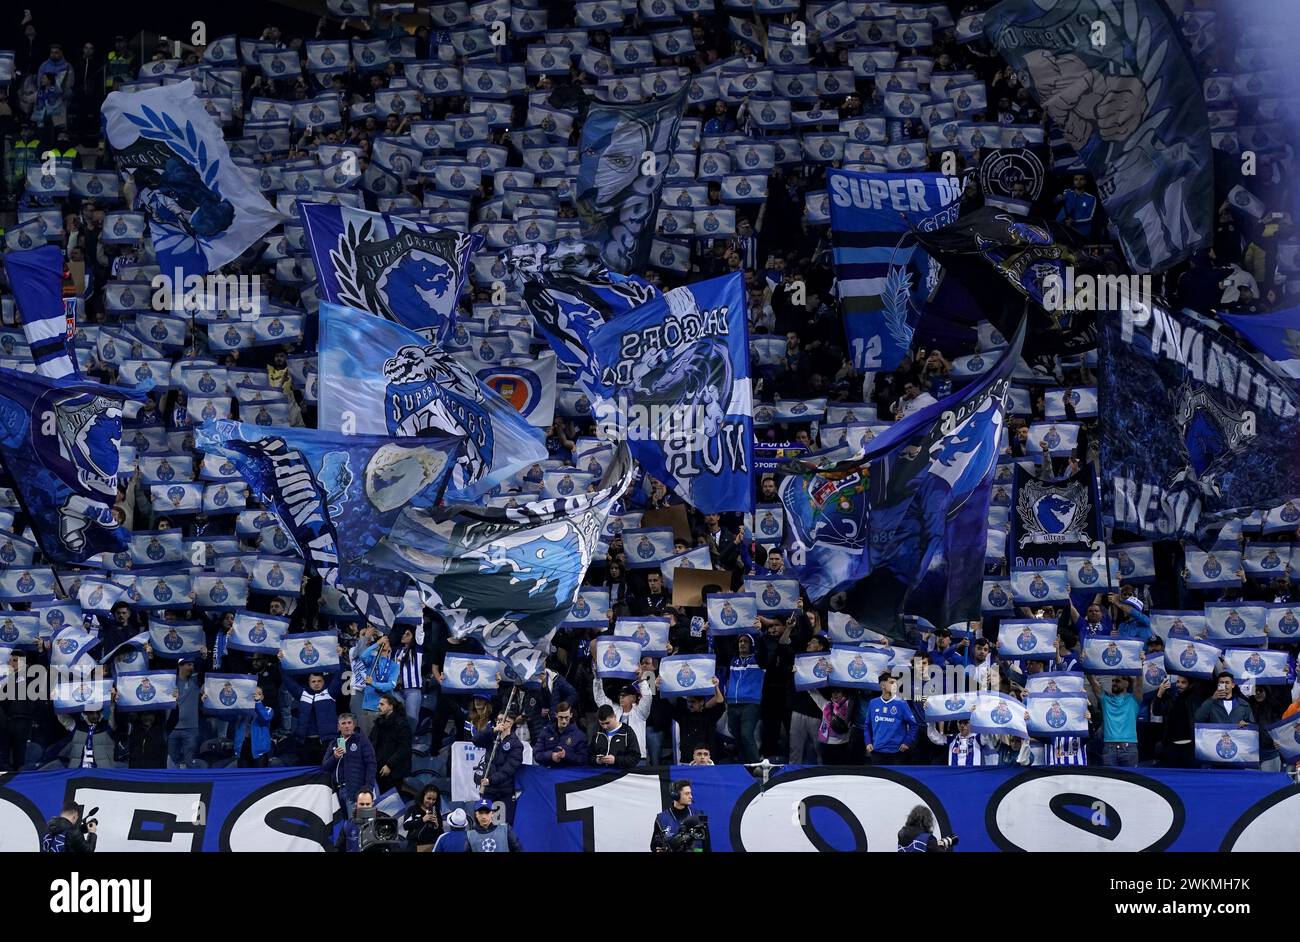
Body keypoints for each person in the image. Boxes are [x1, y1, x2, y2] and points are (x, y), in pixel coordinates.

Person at [279, 664, 345, 765]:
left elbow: (339, 675)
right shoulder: (302, 694)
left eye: (319, 681)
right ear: (309, 682)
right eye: (313, 681)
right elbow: (287, 679)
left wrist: (340, 657)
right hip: (306, 743)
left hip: (327, 742)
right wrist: (281, 662)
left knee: (329, 771)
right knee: (308, 774)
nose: (316, 684)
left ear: (324, 682)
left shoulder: (330, 693)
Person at [1086, 660, 1143, 767]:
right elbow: (1093, 682)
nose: (1114, 683)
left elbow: (1139, 684)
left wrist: (1141, 664)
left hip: (1129, 748)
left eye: (1117, 681)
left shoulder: (1134, 699)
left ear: (1127, 683)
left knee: (1131, 782)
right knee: (1111, 783)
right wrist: (1085, 663)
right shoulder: (1105, 699)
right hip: (1109, 749)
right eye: (1113, 681)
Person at [724, 633, 766, 764]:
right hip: (732, 703)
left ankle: (756, 764)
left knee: (746, 734)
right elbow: (721, 648)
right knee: (737, 736)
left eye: (746, 641)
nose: (742, 643)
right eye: (740, 641)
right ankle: (745, 764)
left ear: (752, 644)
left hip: (750, 703)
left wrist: (759, 634)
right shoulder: (733, 660)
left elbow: (764, 649)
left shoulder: (759, 660)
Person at [591, 671, 652, 762]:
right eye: (620, 695)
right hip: (616, 758)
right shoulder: (614, 710)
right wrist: (597, 678)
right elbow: (600, 698)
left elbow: (648, 697)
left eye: (624, 695)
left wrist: (641, 681)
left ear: (633, 698)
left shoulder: (640, 712)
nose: (621, 697)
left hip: (636, 758)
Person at [321, 713, 376, 814]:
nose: (347, 726)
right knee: (344, 824)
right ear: (338, 727)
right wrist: (335, 757)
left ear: (354, 725)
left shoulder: (362, 741)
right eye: (343, 723)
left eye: (349, 723)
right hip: (336, 790)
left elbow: (371, 764)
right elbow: (325, 767)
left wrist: (368, 788)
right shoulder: (334, 743)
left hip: (354, 789)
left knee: (355, 822)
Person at [472, 711, 523, 811]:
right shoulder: (492, 736)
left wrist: (491, 779)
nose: (500, 722)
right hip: (488, 790)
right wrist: (493, 730)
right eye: (498, 720)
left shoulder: (516, 744)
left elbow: (508, 770)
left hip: (504, 791)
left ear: (510, 723)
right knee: (485, 820)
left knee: (500, 823)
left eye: (504, 720)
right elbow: (475, 740)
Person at [863, 672, 918, 764]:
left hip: (897, 752)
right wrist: (868, 742)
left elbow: (914, 725)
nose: (895, 685)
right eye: (891, 682)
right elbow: (867, 725)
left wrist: (907, 742)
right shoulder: (873, 703)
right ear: (882, 685)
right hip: (877, 751)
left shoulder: (901, 703)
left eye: (896, 683)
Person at [651, 779, 707, 852]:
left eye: (690, 793)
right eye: (687, 794)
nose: (691, 797)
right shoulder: (661, 819)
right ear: (675, 795)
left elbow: (706, 846)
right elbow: (654, 846)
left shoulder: (699, 816)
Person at [372, 693, 412, 793]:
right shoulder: (378, 723)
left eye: (382, 704)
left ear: (391, 706)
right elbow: (372, 743)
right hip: (379, 770)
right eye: (379, 704)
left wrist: (390, 765)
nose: (378, 707)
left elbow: (404, 748)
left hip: (394, 772)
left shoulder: (402, 724)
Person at [532, 701, 588, 768]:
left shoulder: (580, 736)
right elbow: (537, 755)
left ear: (571, 715)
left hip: (568, 774)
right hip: (549, 772)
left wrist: (566, 755)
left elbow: (584, 759)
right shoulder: (546, 732)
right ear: (556, 715)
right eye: (561, 717)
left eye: (566, 717)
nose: (564, 721)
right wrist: (551, 755)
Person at [232, 685, 274, 768]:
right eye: (253, 694)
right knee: (243, 779)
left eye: (259, 694)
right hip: (242, 749)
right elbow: (224, 715)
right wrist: (210, 702)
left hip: (259, 752)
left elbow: (266, 718)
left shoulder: (268, 710)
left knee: (260, 779)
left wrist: (257, 702)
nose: (256, 695)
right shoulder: (241, 711)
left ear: (262, 697)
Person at [589, 704, 640, 768]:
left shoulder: (627, 731)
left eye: (607, 723)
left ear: (614, 717)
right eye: (602, 723)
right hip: (600, 774)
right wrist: (596, 760)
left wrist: (616, 760)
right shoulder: (598, 732)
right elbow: (588, 756)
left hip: (621, 774)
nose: (605, 726)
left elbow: (635, 758)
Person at [402, 784, 443, 852]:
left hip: (431, 846)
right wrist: (422, 820)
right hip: (414, 845)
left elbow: (441, 833)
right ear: (423, 796)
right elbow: (406, 825)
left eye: (434, 800)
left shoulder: (436, 811)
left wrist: (437, 825)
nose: (431, 802)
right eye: (428, 798)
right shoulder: (413, 809)